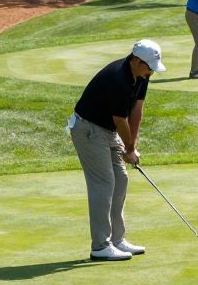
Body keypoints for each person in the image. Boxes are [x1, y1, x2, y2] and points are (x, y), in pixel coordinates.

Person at [68, 38, 166, 261]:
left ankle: (116, 240)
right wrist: (128, 148)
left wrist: (133, 147)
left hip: (108, 130)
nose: (151, 72)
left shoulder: (142, 74)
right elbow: (120, 119)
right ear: (136, 60)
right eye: (149, 67)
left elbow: (136, 112)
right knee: (104, 183)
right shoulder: (118, 78)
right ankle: (100, 246)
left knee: (120, 179)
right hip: (88, 129)